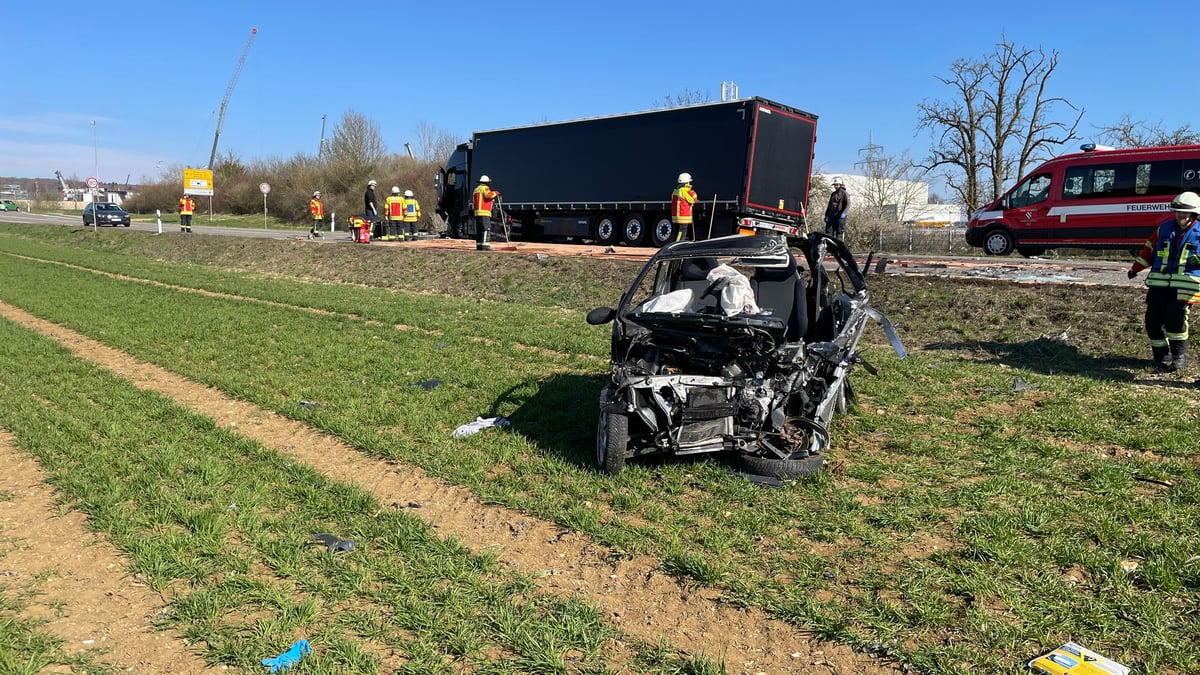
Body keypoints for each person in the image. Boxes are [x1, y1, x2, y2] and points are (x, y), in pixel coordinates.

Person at [1128, 190, 1200, 372]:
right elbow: (1149, 250)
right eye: (1177, 212)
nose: (1180, 215)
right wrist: (1135, 268)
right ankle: (1161, 357)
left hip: (1186, 286)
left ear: (1193, 214)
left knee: (1175, 319)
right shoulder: (1164, 228)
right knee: (1152, 320)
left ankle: (1179, 357)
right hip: (1160, 284)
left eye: (1184, 212)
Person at [472, 175, 500, 251]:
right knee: (486, 228)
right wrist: (495, 193)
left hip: (477, 212)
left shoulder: (476, 189)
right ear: (487, 182)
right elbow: (489, 196)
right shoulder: (485, 188)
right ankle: (485, 245)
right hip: (484, 212)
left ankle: (479, 245)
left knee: (479, 229)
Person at [671, 172, 698, 241]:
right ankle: (679, 244)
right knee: (682, 232)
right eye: (689, 182)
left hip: (677, 216)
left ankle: (677, 243)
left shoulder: (675, 191)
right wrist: (693, 193)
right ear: (686, 183)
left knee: (678, 232)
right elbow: (692, 200)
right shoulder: (684, 191)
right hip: (683, 216)